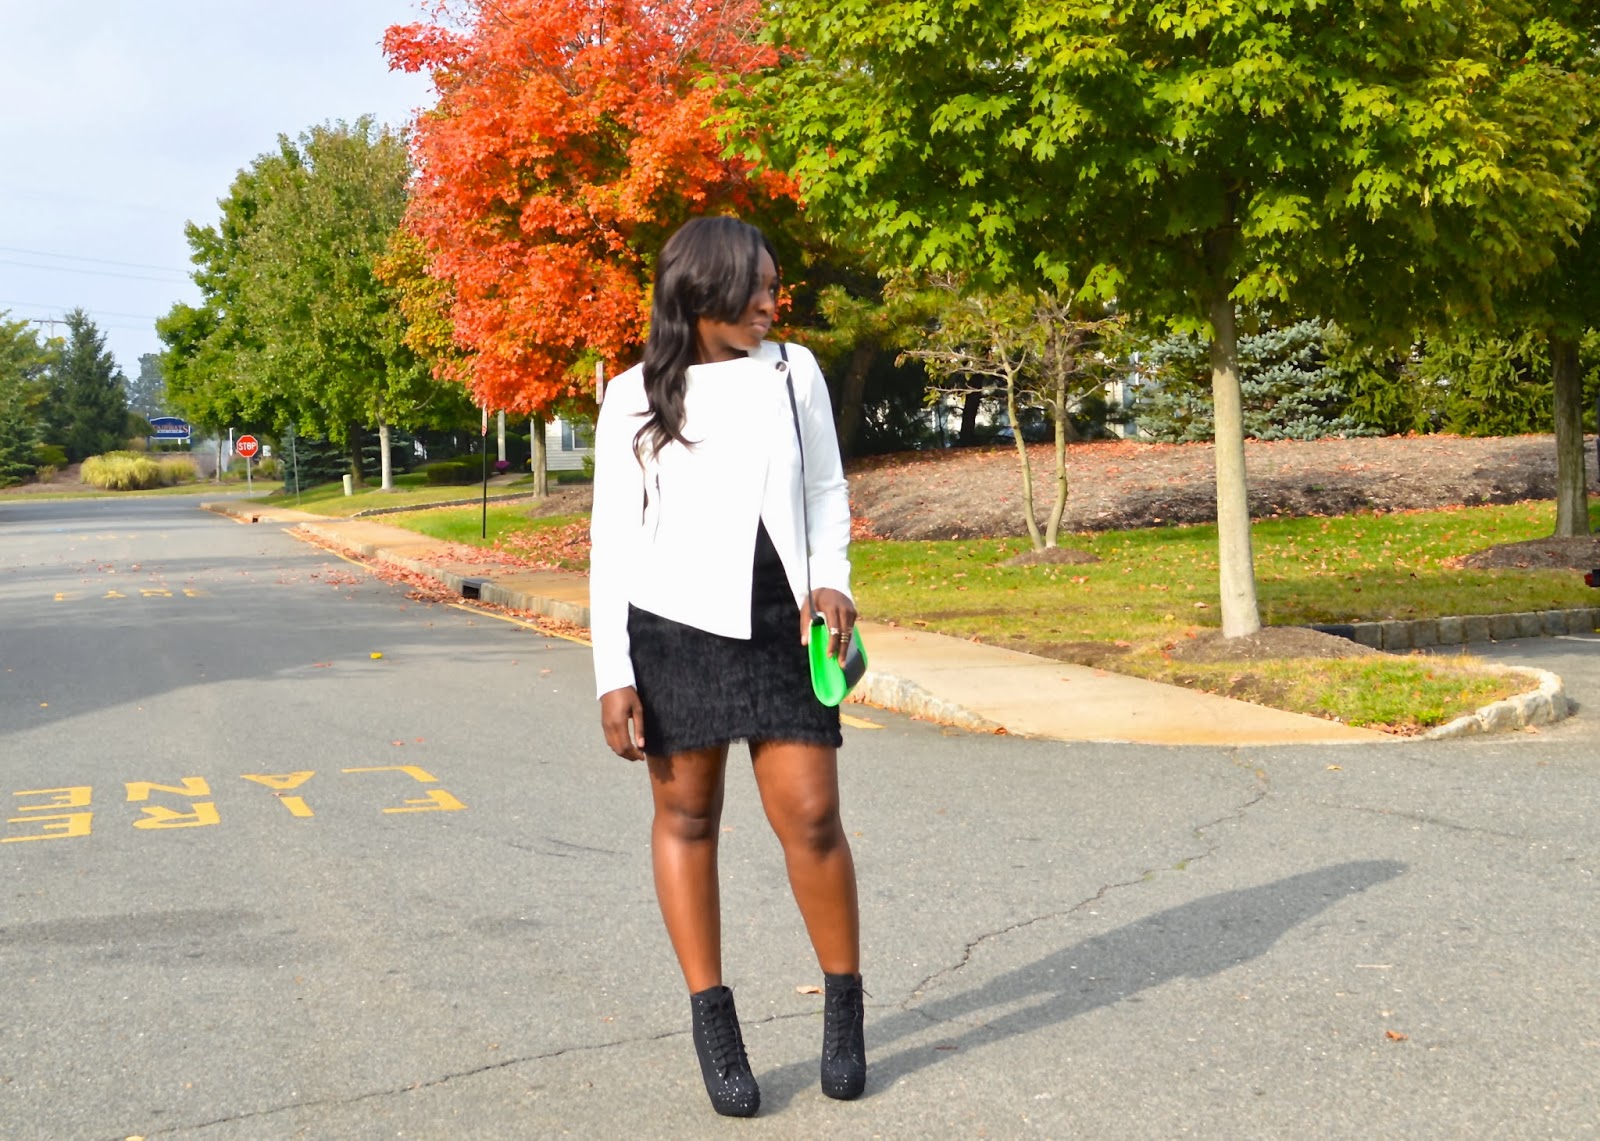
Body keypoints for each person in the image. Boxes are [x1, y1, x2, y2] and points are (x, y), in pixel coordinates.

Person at [589, 216, 865, 1117]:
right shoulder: (633, 395)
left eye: (775, 285)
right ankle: (715, 1022)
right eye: (756, 286)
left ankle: (844, 1008)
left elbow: (825, 489)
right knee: (687, 814)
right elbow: (610, 543)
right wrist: (612, 671)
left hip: (782, 619)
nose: (772, 301)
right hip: (672, 629)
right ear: (701, 292)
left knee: (813, 816)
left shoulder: (796, 374)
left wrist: (831, 580)